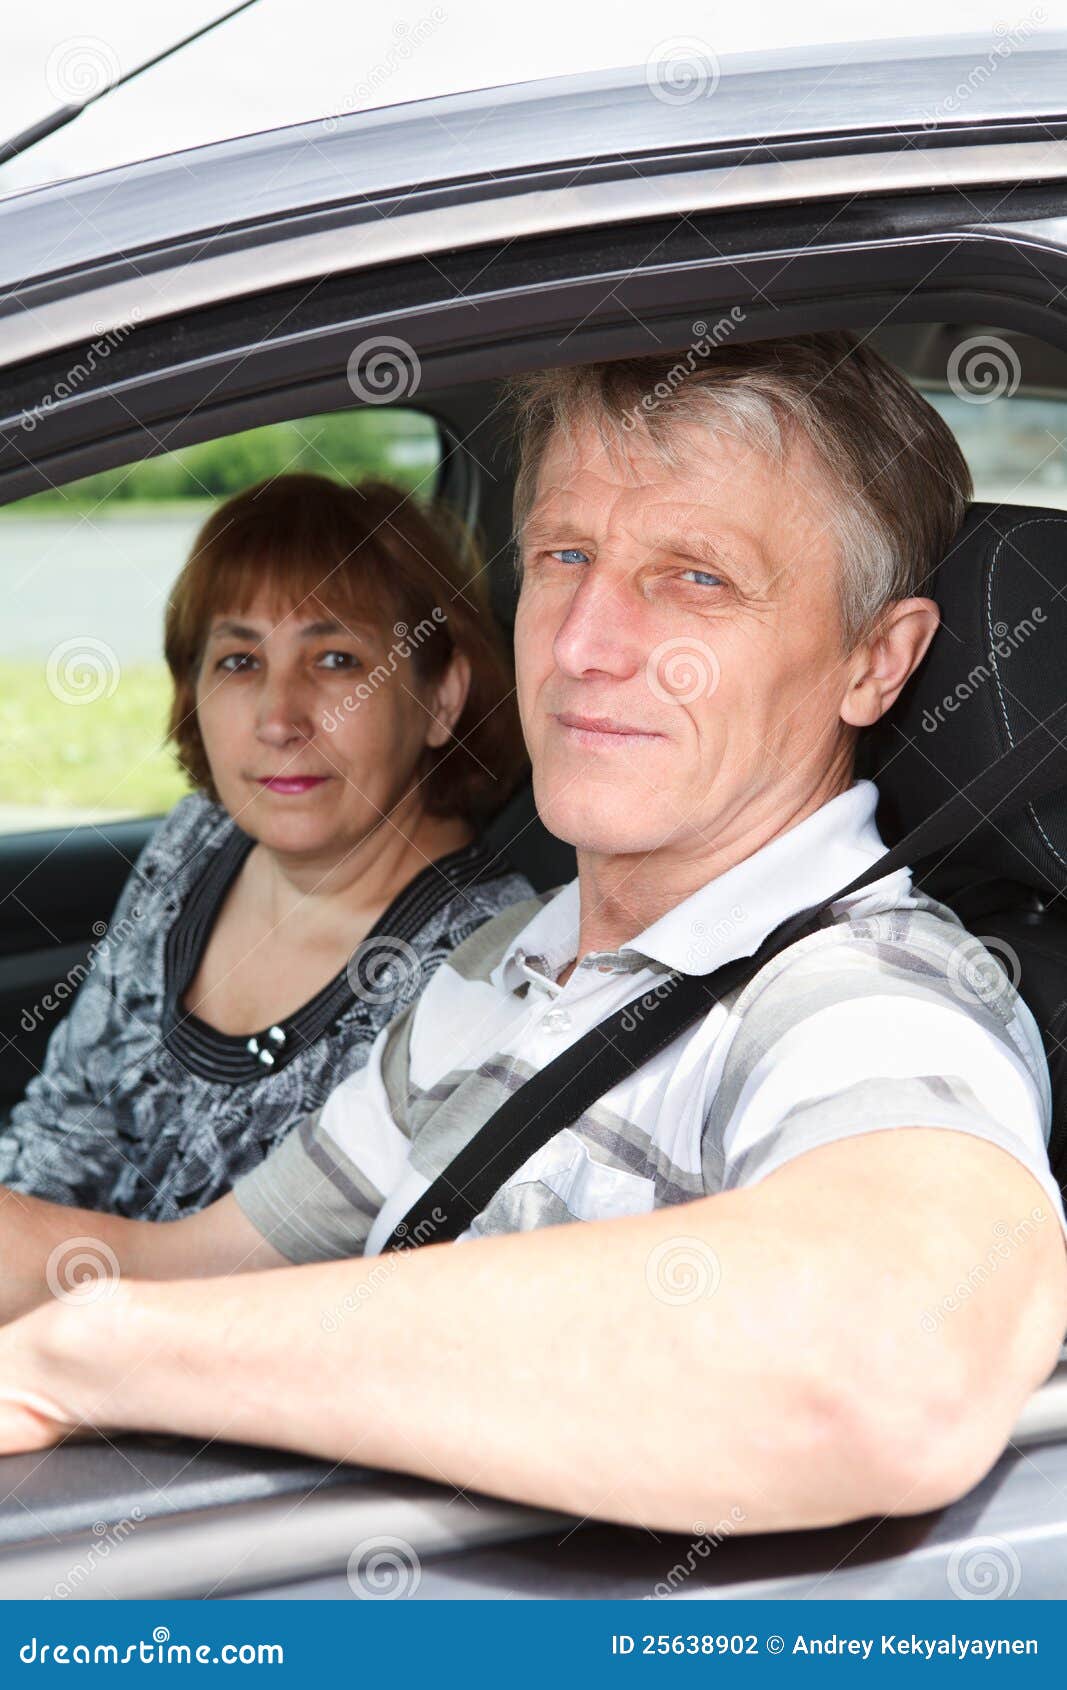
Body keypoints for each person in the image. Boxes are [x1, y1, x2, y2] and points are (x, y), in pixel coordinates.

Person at [0, 335, 1065, 1540]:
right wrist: (100, 1308)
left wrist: (95, 1356)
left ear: (876, 660)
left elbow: (884, 1366)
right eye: (564, 556)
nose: (577, 644)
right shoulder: (496, 963)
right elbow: (188, 1265)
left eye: (694, 577)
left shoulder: (873, 995)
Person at [0, 472, 531, 1218]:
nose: (279, 718)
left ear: (440, 698)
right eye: (240, 662)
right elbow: (66, 1126)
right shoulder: (197, 841)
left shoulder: (489, 969)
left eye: (336, 660)